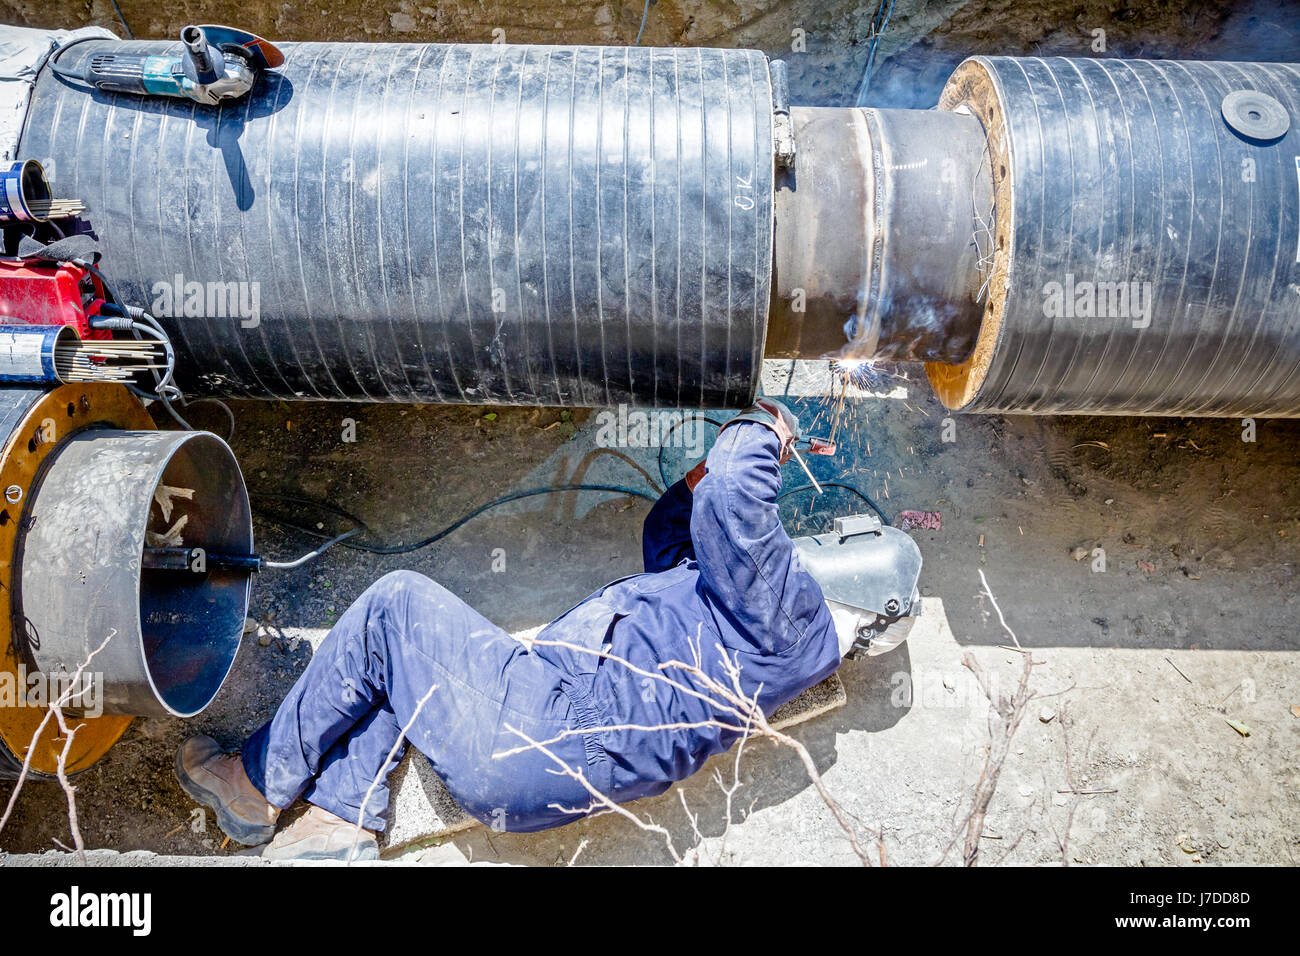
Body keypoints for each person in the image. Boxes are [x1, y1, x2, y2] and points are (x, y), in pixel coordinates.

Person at [174, 399, 922, 860]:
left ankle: (253, 784)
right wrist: (698, 477)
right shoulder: (760, 626)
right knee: (416, 667)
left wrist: (764, 430)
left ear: (859, 570)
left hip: (550, 726)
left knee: (394, 606)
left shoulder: (795, 622)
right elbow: (673, 541)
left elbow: (735, 492)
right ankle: (338, 827)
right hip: (548, 752)